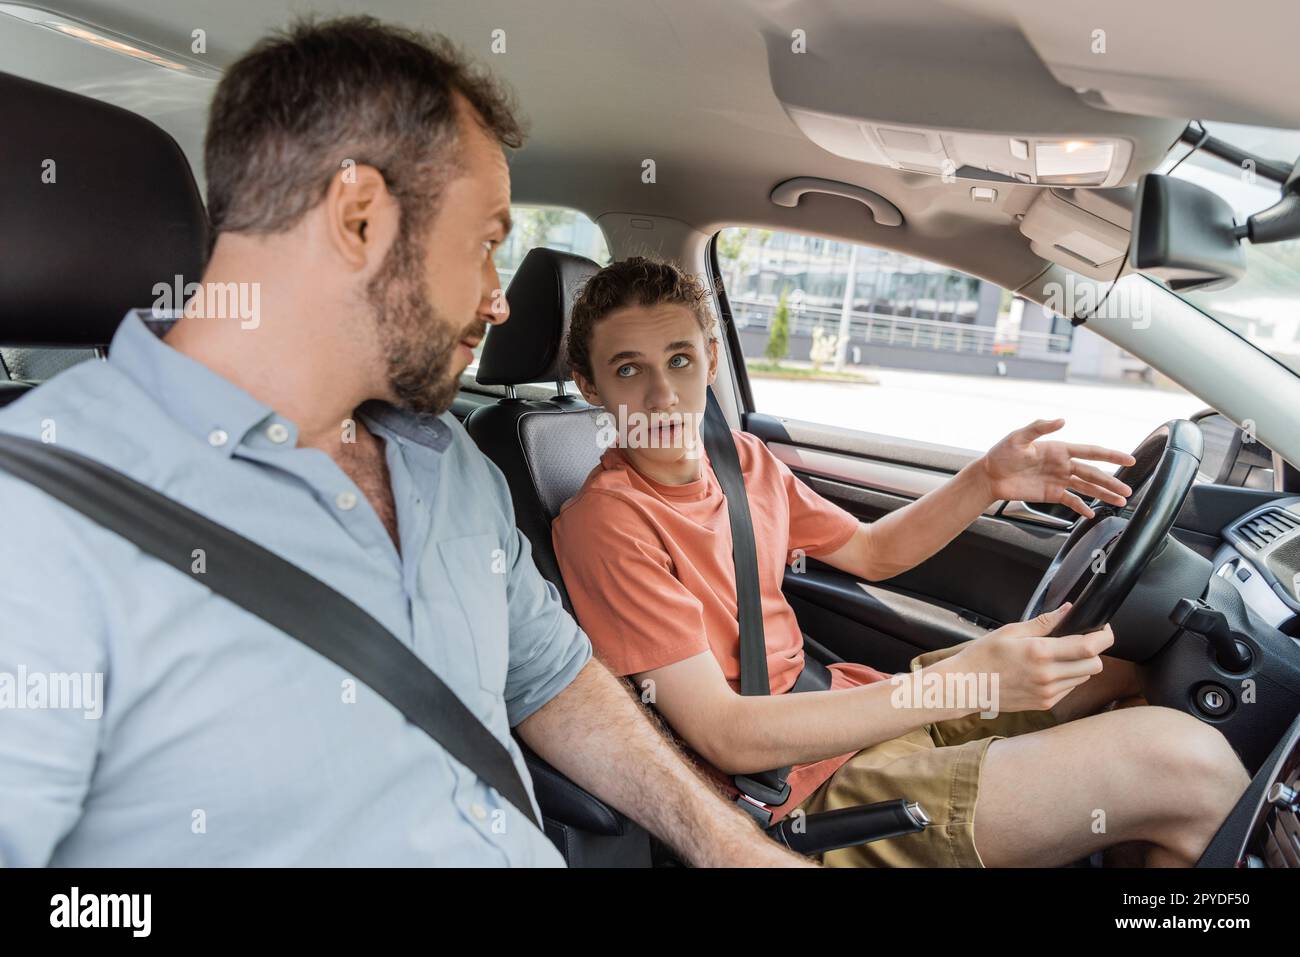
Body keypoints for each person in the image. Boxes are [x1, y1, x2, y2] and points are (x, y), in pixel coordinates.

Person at [0, 18, 808, 867]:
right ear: (358, 219)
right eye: (487, 242)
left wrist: (729, 847)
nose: (499, 301)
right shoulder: (38, 520)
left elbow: (551, 680)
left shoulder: (451, 461)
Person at [552, 256, 1252, 867]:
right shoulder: (608, 523)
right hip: (793, 792)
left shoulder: (739, 462)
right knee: (1187, 769)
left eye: (678, 360)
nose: (662, 396)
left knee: (1129, 670)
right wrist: (962, 681)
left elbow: (873, 551)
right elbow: (727, 735)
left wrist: (987, 478)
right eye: (627, 369)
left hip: (849, 706)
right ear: (589, 386)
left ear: (709, 353)